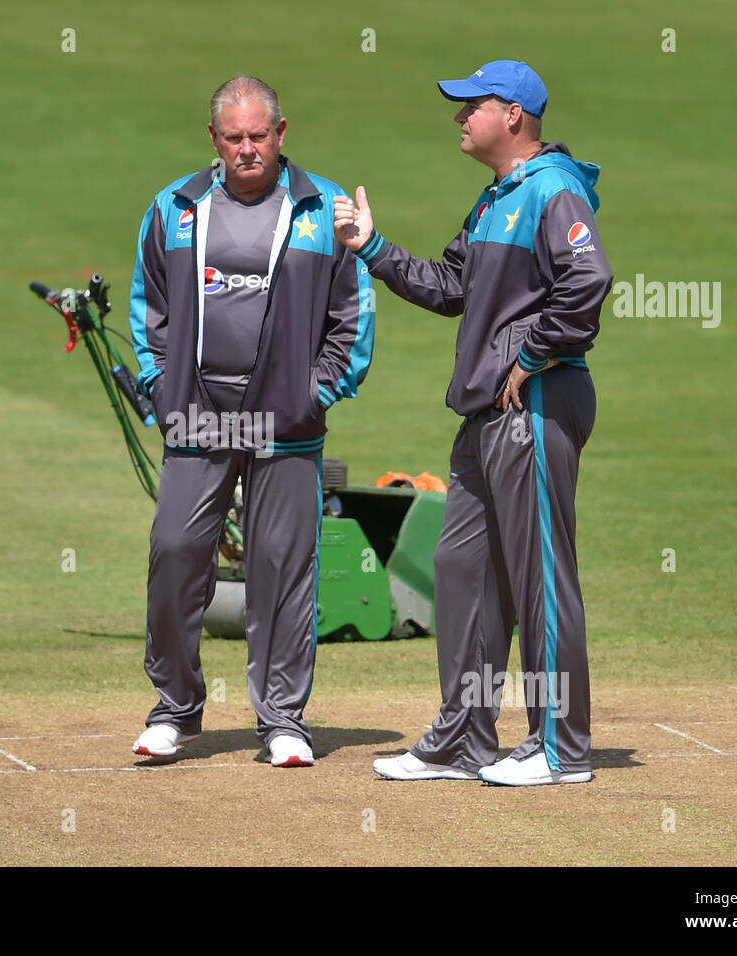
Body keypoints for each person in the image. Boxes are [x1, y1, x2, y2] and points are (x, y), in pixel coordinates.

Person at [334, 61, 611, 786]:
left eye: (471, 106)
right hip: (488, 413)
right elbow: (450, 286)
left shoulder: (554, 189)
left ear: (513, 115)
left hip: (536, 403)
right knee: (463, 571)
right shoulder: (496, 199)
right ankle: (464, 737)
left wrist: (533, 354)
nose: (458, 117)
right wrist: (373, 248)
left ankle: (560, 748)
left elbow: (589, 279)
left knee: (540, 578)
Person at [130, 76, 375, 767]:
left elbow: (351, 320)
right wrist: (161, 387)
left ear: (281, 133)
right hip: (199, 419)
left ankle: (283, 720)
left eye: (258, 135)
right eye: (233, 137)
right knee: (176, 553)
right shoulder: (173, 208)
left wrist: (314, 392)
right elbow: (149, 308)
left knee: (282, 568)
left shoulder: (325, 209)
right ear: (213, 139)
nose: (247, 149)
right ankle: (175, 707)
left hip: (286, 422)